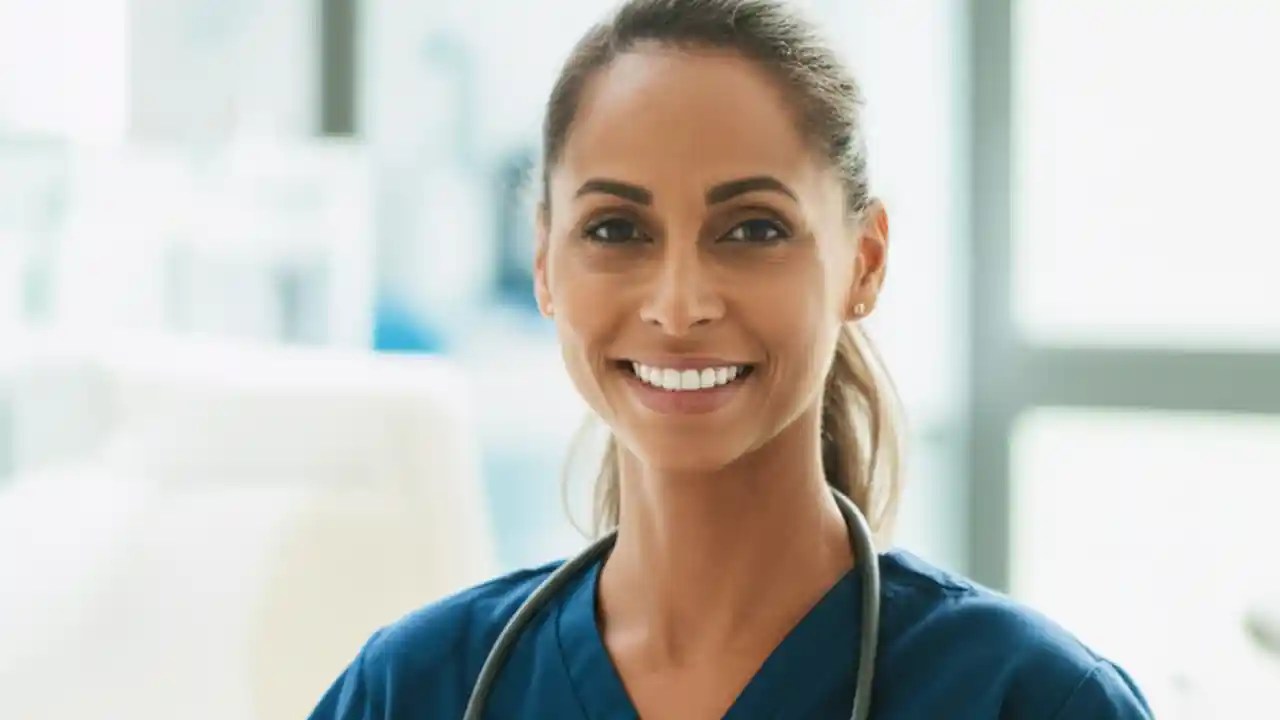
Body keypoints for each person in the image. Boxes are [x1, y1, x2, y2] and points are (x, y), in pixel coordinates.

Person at [309, 0, 1153, 717]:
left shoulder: (1033, 699)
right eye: (616, 230)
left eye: (753, 230)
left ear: (864, 262)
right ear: (543, 263)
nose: (679, 305)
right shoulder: (414, 689)